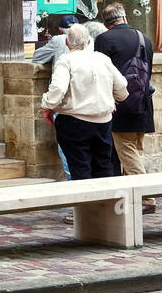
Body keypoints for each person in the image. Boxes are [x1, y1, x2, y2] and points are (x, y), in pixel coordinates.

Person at [40, 24, 129, 180]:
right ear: (89, 41)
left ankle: (87, 204)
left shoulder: (66, 60)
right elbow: (121, 86)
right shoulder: (102, 59)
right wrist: (114, 99)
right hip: (103, 120)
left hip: (75, 121)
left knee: (80, 167)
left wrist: (47, 106)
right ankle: (106, 202)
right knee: (103, 166)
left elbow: (58, 89)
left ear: (67, 43)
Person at [94, 2, 157, 212]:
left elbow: (101, 74)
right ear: (125, 17)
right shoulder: (143, 38)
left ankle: (146, 199)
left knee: (127, 152)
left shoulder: (104, 39)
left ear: (106, 23)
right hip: (143, 103)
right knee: (135, 150)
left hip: (120, 105)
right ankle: (129, 197)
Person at [33, 15, 77, 180]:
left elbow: (37, 57)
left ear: (60, 30)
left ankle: (72, 177)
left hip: (64, 100)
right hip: (89, 100)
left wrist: (47, 105)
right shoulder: (92, 42)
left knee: (65, 140)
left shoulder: (58, 41)